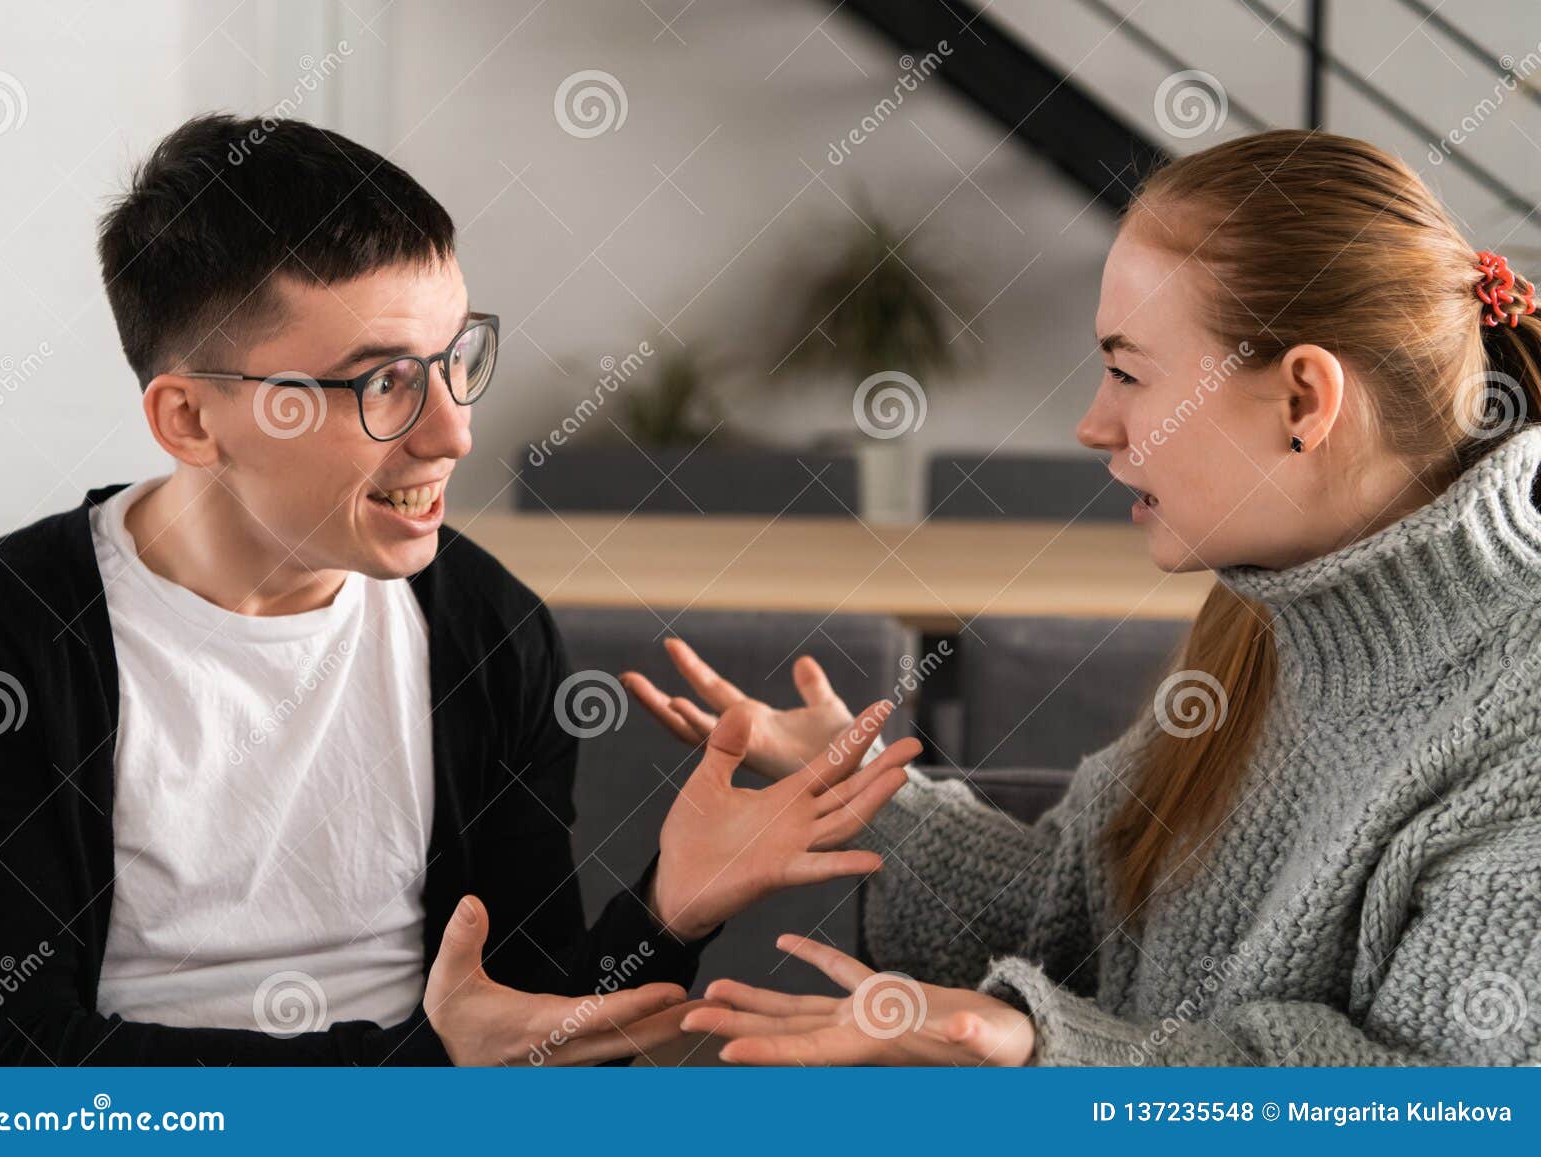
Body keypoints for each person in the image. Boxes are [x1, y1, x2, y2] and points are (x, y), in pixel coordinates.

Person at [0, 113, 920, 1066]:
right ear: (193, 420)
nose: (451, 432)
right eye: (380, 383)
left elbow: (528, 1038)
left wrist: (669, 909)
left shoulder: (484, 624)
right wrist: (426, 1065)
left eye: (455, 360)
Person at [624, 129, 1541, 1067]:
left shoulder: (1522, 722)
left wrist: (1044, 1057)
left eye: (1129, 373)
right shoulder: (1268, 609)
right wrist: (865, 796)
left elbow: (1446, 1112)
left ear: (1304, 398)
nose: (1094, 422)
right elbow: (1091, 903)